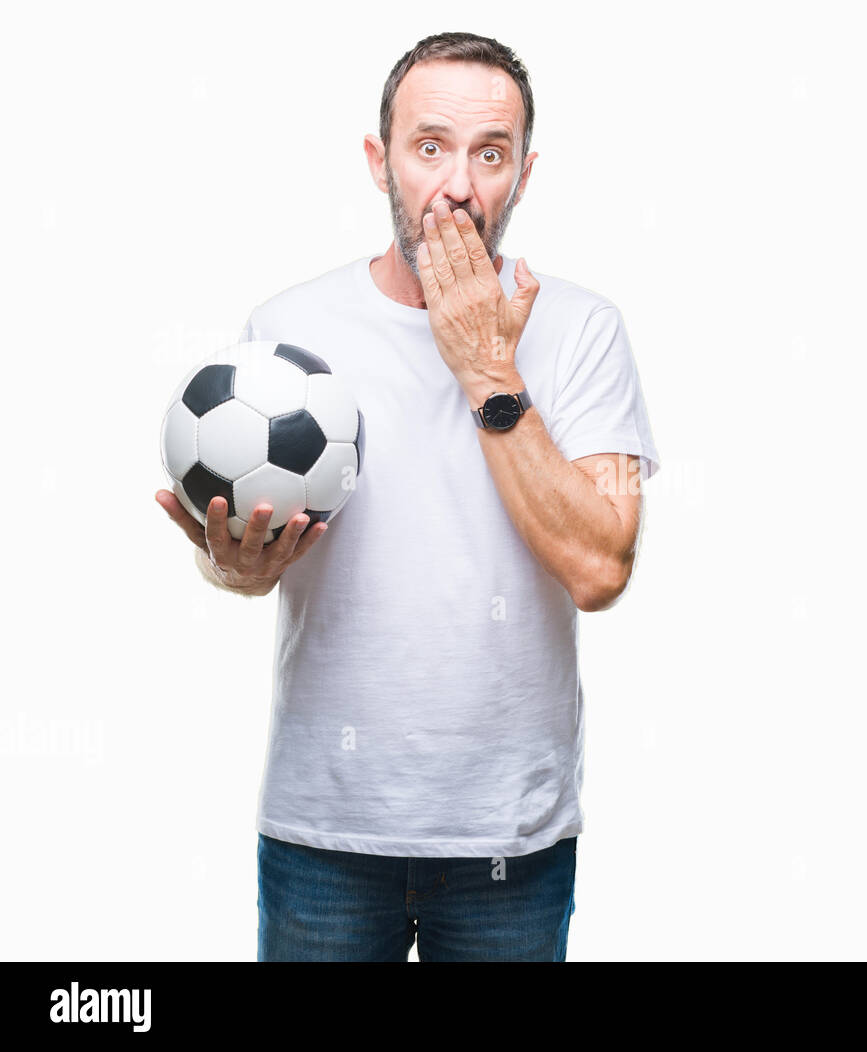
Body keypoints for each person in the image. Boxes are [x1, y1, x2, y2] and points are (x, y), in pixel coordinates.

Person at [154, 31, 661, 962]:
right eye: (429, 147)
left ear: (524, 173)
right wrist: (230, 568)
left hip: (512, 841)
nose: (459, 185)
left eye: (490, 153)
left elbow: (601, 566)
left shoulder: (585, 330)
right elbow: (241, 557)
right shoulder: (289, 330)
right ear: (378, 160)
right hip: (325, 835)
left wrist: (487, 370)